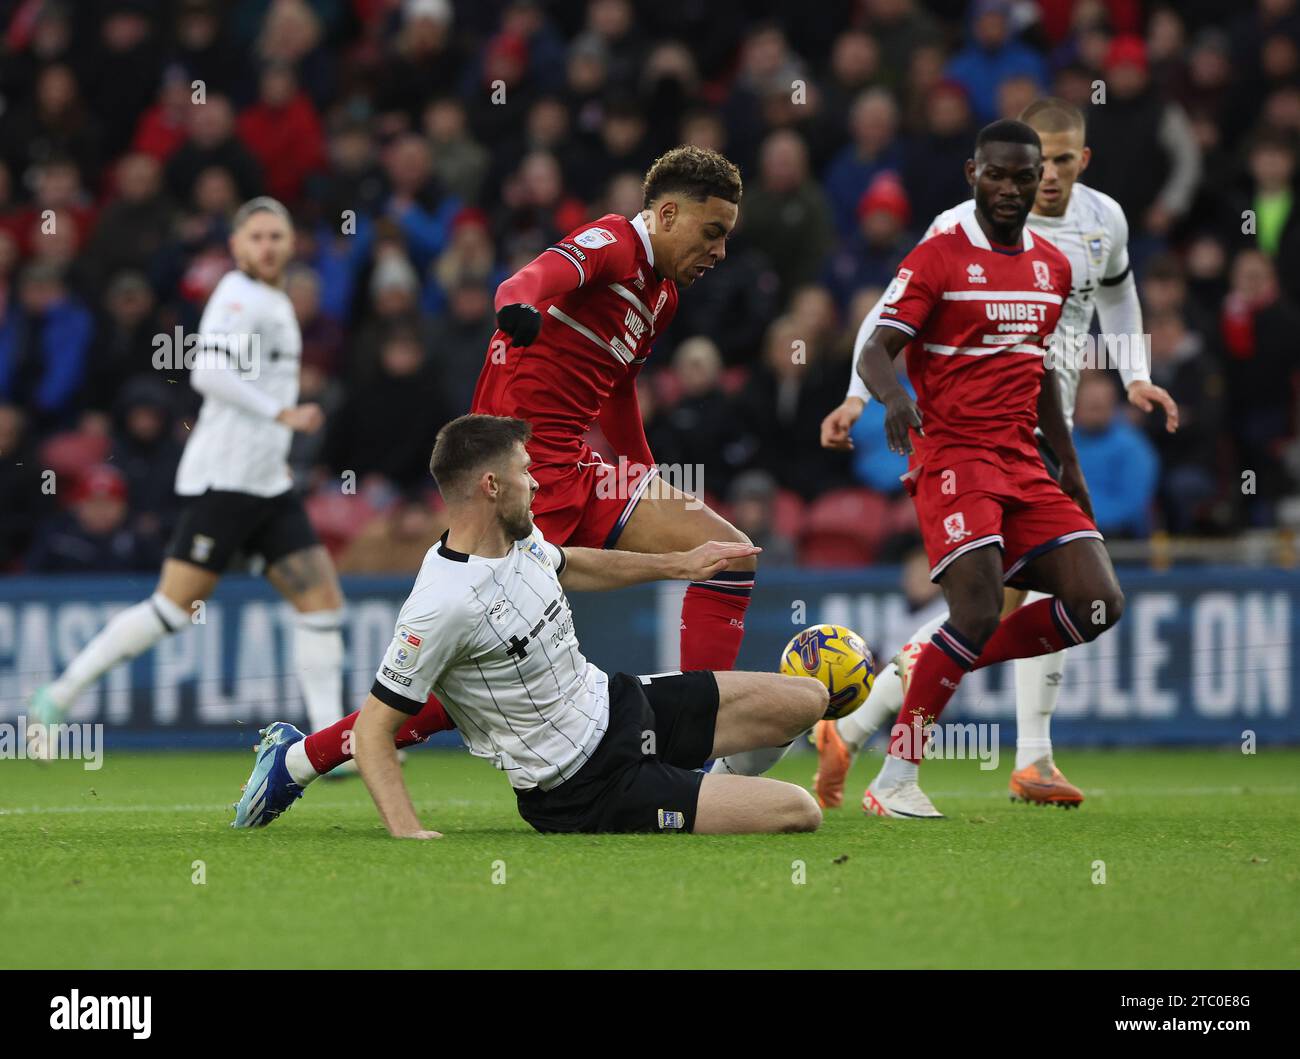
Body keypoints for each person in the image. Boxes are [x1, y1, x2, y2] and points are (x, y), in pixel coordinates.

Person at [265, 145, 784, 791]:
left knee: (729, 556)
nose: (720, 250)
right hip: (515, 479)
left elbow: (618, 388)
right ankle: (296, 760)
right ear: (669, 213)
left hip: (579, 467)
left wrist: (645, 474)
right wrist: (519, 307)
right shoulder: (616, 242)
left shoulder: (664, 296)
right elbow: (523, 282)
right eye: (713, 232)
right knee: (463, 686)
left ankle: (692, 751)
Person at [818, 98, 1180, 814]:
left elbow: (1051, 358)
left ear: (1070, 163)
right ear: (974, 176)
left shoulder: (1068, 253)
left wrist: (1076, 454)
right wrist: (872, 396)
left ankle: (878, 717)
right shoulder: (944, 242)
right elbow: (878, 336)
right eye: (1002, 175)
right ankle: (916, 771)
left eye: (1038, 168)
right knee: (979, 609)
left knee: (1094, 601)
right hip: (955, 453)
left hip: (1030, 450)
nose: (1020, 186)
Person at [232, 414, 825, 837]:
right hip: (582, 786)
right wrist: (409, 831)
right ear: (490, 486)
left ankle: (694, 781)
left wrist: (677, 563)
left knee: (808, 698)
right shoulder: (441, 603)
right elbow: (374, 732)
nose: (538, 480)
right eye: (525, 469)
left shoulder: (520, 538)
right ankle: (686, 792)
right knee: (800, 809)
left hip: (619, 704)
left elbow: (577, 563)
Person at [29, 198, 348, 749]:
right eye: (256, 237)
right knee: (172, 610)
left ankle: (331, 745)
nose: (268, 246)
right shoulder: (237, 295)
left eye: (277, 236)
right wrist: (282, 412)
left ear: (291, 243)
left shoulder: (271, 299)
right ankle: (59, 693)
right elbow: (206, 370)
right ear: (236, 246)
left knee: (322, 605)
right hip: (226, 481)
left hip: (267, 482)